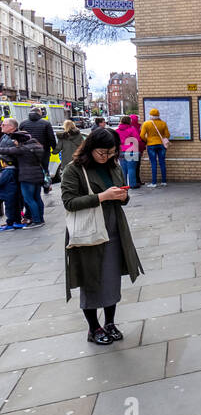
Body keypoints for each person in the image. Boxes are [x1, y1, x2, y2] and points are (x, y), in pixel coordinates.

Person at [61, 127, 143, 344]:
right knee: (92, 279)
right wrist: (101, 197)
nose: (107, 156)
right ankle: (93, 328)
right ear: (90, 149)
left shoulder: (113, 165)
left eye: (112, 152)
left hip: (114, 228)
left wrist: (122, 196)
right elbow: (69, 202)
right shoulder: (74, 170)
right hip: (88, 232)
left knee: (112, 277)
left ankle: (109, 322)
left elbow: (122, 199)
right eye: (102, 153)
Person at [8, 129, 47, 226]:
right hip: (38, 175)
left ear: (20, 140)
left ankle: (37, 220)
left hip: (27, 177)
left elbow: (7, 150)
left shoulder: (23, 149)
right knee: (37, 198)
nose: (15, 143)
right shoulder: (37, 146)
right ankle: (41, 219)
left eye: (15, 141)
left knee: (29, 199)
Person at [20, 106, 57, 190]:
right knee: (44, 168)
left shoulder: (23, 123)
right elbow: (51, 138)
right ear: (39, 113)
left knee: (30, 168)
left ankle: (33, 186)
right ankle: (46, 185)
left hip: (27, 151)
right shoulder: (46, 123)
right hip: (43, 150)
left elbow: (19, 137)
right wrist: (54, 148)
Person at [140, 108, 170, 186]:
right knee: (162, 162)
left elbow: (142, 135)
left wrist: (147, 140)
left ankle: (154, 183)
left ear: (150, 115)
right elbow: (167, 135)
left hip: (151, 145)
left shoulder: (146, 124)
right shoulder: (163, 123)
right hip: (161, 145)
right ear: (158, 115)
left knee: (153, 163)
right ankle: (164, 181)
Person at [115, 115, 140, 188]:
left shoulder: (117, 130)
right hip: (131, 150)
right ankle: (132, 185)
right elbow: (137, 139)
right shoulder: (132, 129)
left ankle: (124, 185)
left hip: (121, 150)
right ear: (129, 121)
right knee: (131, 168)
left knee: (123, 169)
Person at [0, 154, 23, 230]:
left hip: (8, 194)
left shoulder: (7, 171)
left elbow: (1, 181)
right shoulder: (14, 170)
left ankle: (10, 224)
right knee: (16, 209)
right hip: (15, 194)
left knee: (9, 210)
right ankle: (17, 222)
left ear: (4, 163)